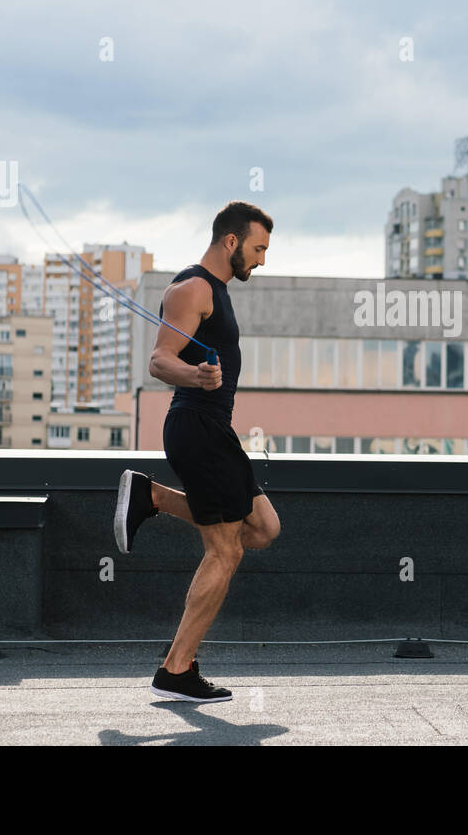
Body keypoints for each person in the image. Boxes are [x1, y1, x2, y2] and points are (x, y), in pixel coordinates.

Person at [113, 201, 280, 702]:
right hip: (197, 428)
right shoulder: (193, 289)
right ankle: (176, 671)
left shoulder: (218, 292)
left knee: (264, 529)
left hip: (213, 431)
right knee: (225, 549)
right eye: (258, 248)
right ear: (232, 241)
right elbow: (160, 361)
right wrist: (196, 374)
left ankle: (154, 497)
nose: (262, 260)